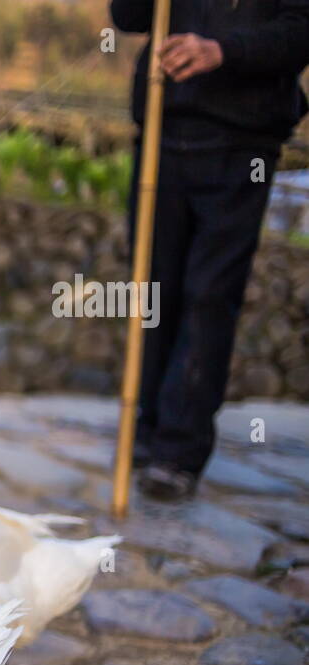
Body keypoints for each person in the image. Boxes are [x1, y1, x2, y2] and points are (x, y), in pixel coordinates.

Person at [110, 0, 309, 501]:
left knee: (209, 295)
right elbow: (129, 16)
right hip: (162, 130)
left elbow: (301, 33)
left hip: (243, 145)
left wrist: (222, 51)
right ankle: (147, 426)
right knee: (151, 290)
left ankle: (178, 450)